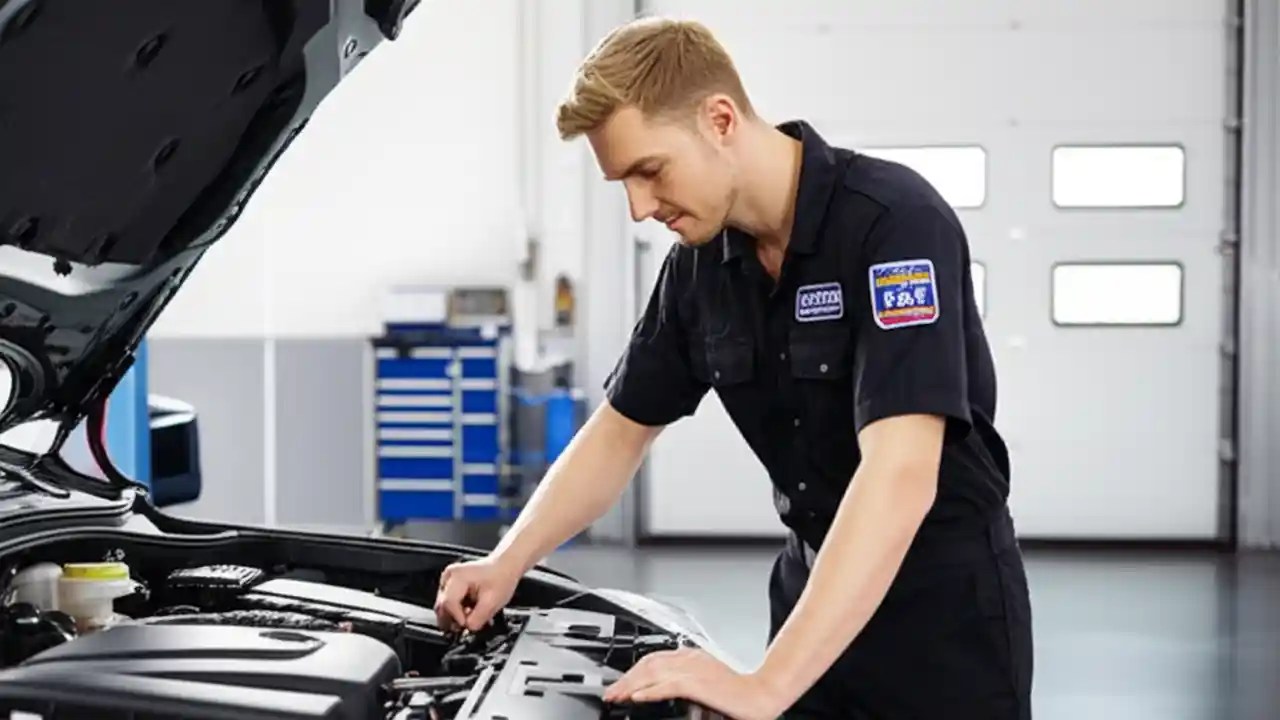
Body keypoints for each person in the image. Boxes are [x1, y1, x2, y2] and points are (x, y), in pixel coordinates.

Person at [434, 16, 1033, 720]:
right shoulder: (698, 268)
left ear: (720, 119)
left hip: (940, 622)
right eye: (622, 182)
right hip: (809, 600)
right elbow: (621, 430)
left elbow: (900, 474)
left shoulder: (893, 224)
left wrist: (764, 685)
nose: (637, 208)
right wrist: (508, 561)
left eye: (649, 171)